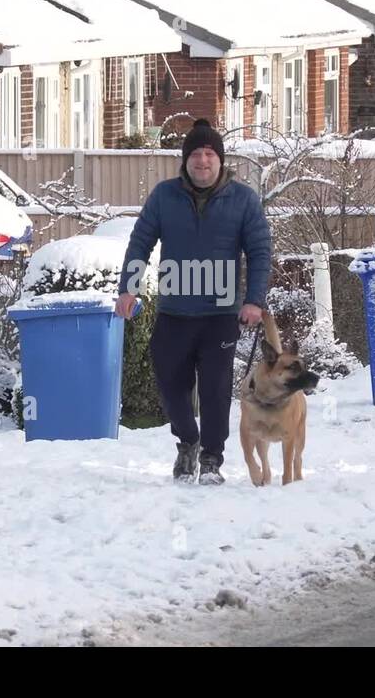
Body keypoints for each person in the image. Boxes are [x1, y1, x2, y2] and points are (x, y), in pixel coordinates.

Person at [115, 119, 271, 484]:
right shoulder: (164, 196)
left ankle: (212, 457)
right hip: (175, 310)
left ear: (220, 160)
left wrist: (254, 301)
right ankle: (188, 441)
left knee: (216, 388)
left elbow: (260, 251)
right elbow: (141, 242)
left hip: (221, 313)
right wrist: (128, 288)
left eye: (209, 154)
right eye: (196, 154)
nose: (202, 161)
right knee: (170, 382)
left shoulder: (243, 200)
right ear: (185, 160)